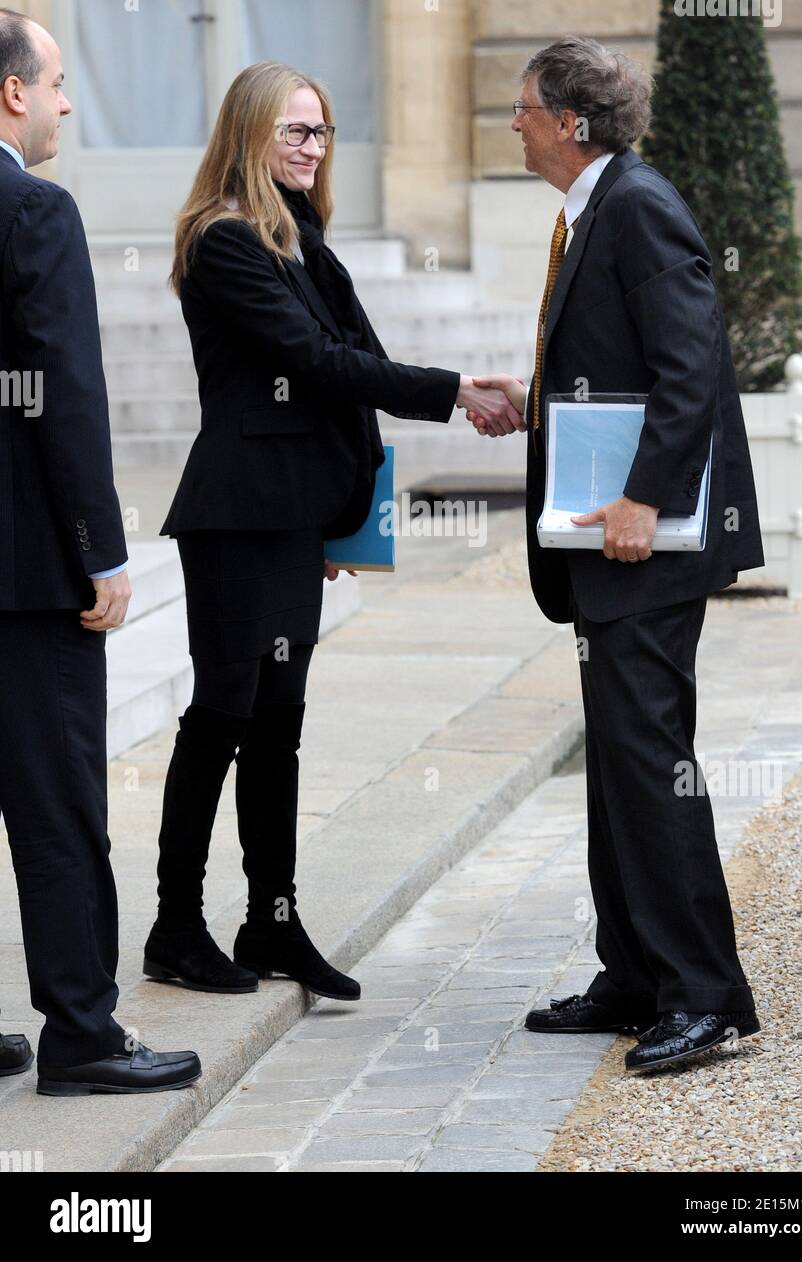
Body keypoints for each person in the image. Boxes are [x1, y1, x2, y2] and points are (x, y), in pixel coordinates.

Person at [144, 60, 523, 1001]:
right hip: (237, 518)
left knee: (280, 727)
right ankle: (175, 928)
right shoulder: (226, 239)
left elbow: (357, 359)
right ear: (248, 135)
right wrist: (455, 394)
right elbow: (314, 363)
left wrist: (347, 515)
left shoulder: (305, 237)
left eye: (321, 132)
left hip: (294, 514)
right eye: (294, 131)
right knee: (221, 719)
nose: (312, 148)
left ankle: (271, 924)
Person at [468, 36, 764, 1074]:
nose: (511, 122)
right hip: (604, 549)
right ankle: (635, 973)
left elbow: (691, 366)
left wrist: (643, 496)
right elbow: (626, 365)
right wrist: (534, 394)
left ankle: (705, 996)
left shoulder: (635, 205)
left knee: (652, 762)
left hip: (642, 542)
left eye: (521, 108)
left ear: (568, 123)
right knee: (619, 765)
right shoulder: (594, 206)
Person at [0, 8, 200, 1095]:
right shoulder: (33, 209)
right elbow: (62, 399)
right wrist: (102, 553)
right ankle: (80, 1033)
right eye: (59, 80)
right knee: (59, 805)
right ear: (10, 92)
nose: (68, 102)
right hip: (27, 576)